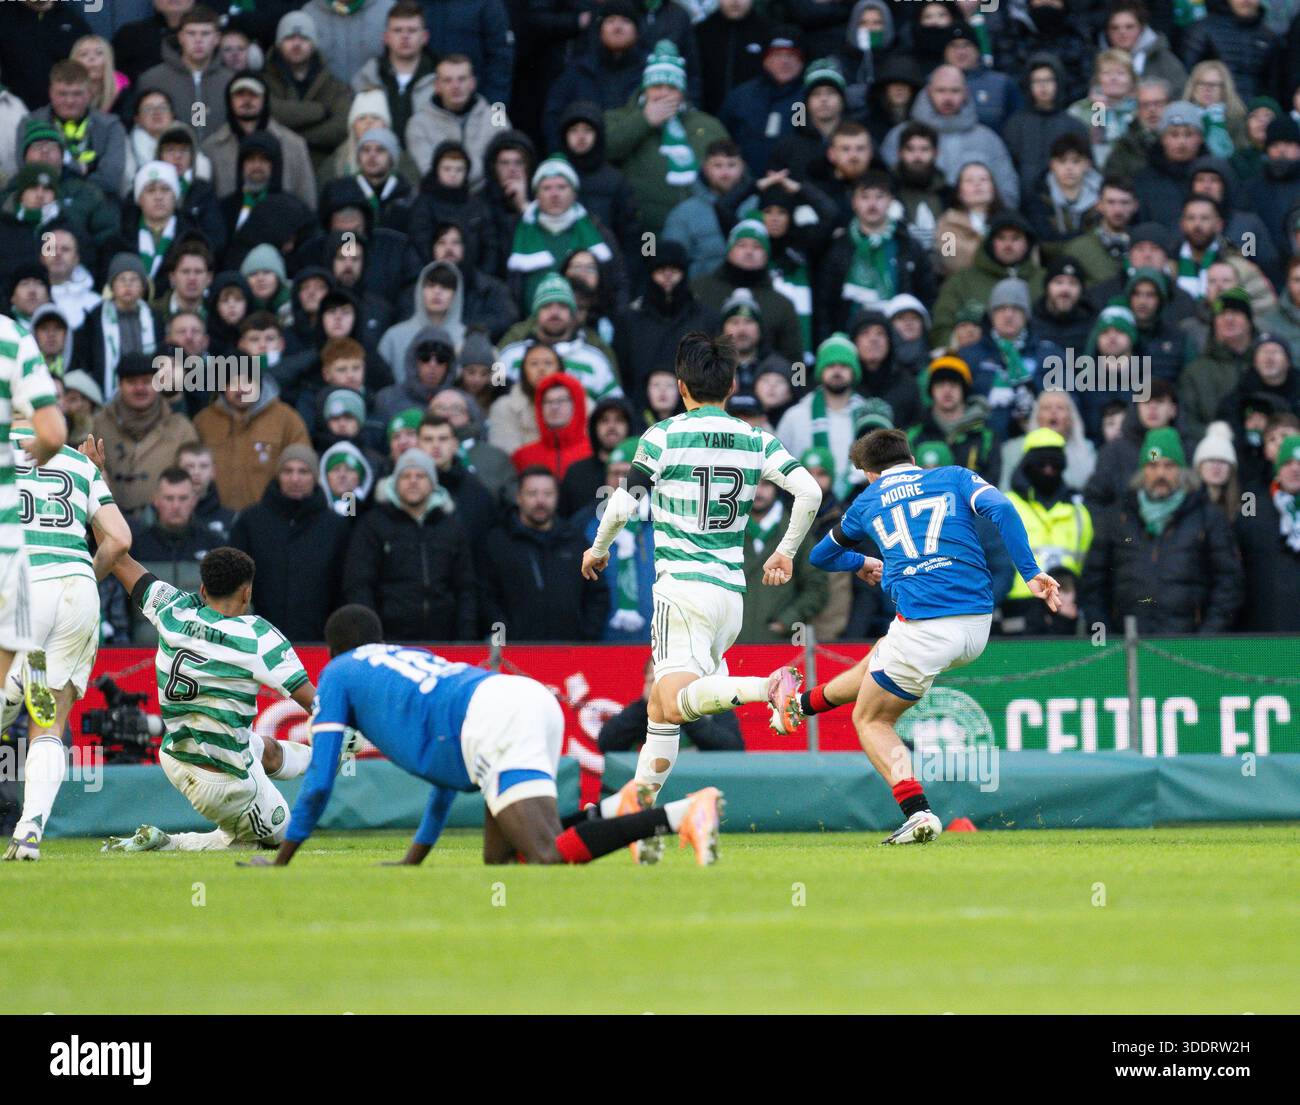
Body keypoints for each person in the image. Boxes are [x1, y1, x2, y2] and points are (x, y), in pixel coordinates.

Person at [580, 332, 822, 860]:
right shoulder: (755, 438)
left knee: (668, 701)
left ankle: (768, 686)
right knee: (660, 717)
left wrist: (598, 549)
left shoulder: (661, 437)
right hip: (730, 595)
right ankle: (643, 832)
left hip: (682, 591)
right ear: (732, 385)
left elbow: (624, 506)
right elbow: (811, 492)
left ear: (681, 386)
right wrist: (783, 552)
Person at [244, 604, 725, 867]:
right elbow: (443, 772)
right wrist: (413, 860)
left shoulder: (338, 674)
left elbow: (322, 779)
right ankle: (613, 811)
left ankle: (680, 813)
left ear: (332, 650)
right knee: (500, 858)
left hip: (492, 720)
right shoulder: (402, 659)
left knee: (545, 855)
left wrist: (282, 860)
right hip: (519, 699)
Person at [790, 428, 1060, 844]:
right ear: (910, 457)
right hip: (975, 624)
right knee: (881, 654)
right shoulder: (953, 476)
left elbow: (820, 555)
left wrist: (862, 560)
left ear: (869, 474)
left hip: (927, 626)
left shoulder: (868, 500)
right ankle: (802, 706)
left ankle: (917, 813)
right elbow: (1003, 508)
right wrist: (1031, 571)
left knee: (871, 719)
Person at [99, 546, 318, 854]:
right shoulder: (257, 636)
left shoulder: (173, 609)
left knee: (261, 748)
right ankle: (168, 844)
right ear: (247, 593)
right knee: (278, 840)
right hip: (225, 782)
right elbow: (316, 704)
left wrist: (97, 509)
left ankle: (325, 760)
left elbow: (119, 558)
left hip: (175, 757)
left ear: (202, 589)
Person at [2, 406, 126, 861]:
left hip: (17, 582)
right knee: (50, 721)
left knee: (11, 699)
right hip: (75, 587)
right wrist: (85, 576)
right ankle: (30, 830)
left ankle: (17, 680)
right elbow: (118, 540)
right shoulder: (80, 464)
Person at [1081, 427, 1245, 634]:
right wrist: (1108, 637)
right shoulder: (1117, 519)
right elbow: (1093, 584)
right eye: (1153, 465)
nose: (1160, 474)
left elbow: (1229, 583)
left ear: (1182, 471)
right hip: (1128, 647)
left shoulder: (1208, 518)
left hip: (1189, 648)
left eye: (1169, 466)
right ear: (1142, 471)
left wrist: (1206, 638)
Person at [342, 447, 477, 641]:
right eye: (406, 476)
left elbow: (466, 587)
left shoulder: (451, 526)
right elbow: (359, 585)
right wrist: (370, 639)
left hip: (444, 641)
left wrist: (466, 639)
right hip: (388, 641)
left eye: (421, 475)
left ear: (432, 483)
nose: (413, 481)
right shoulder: (372, 524)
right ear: (395, 482)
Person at [229, 445, 350, 642]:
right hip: (257, 641)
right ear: (278, 475)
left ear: (315, 477)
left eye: (303, 471)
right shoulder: (250, 521)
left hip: (316, 642)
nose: (295, 479)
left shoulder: (335, 526)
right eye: (288, 471)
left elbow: (343, 588)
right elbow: (234, 583)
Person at [480, 466, 609, 641]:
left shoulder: (575, 542)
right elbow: (485, 597)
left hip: (570, 651)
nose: (540, 500)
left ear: (557, 498)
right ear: (519, 497)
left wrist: (586, 637)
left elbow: (597, 593)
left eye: (548, 494)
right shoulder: (497, 543)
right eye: (532, 493)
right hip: (515, 651)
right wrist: (505, 635)